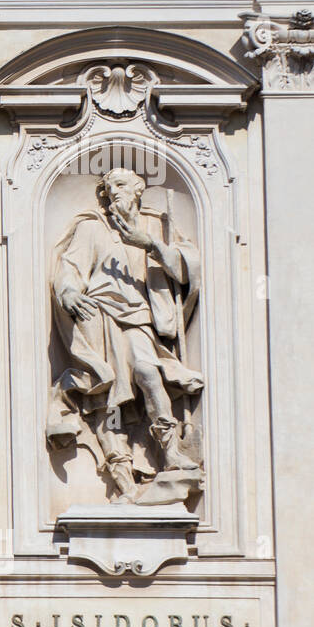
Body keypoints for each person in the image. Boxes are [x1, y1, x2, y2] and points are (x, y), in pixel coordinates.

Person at [47, 167, 203, 502]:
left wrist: (151, 245)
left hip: (140, 317)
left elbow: (189, 265)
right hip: (98, 314)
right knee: (105, 393)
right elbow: (70, 267)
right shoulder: (92, 227)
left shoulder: (155, 224)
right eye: (106, 188)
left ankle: (171, 451)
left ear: (138, 188)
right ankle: (123, 481)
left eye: (119, 185)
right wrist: (69, 292)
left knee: (147, 371)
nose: (111, 192)